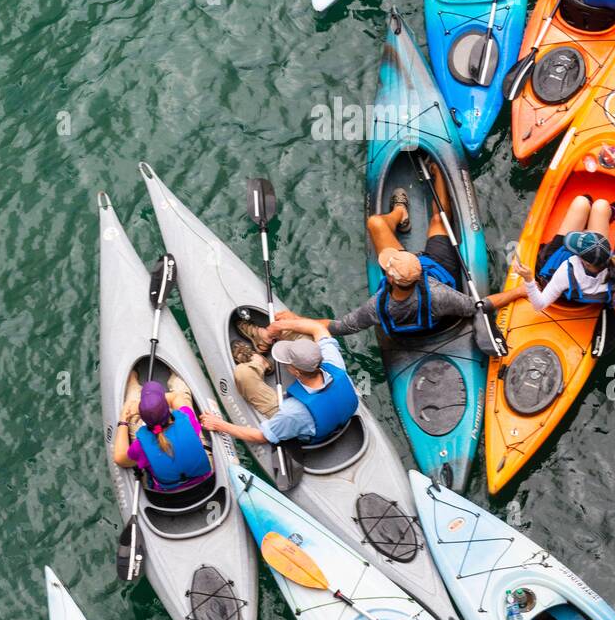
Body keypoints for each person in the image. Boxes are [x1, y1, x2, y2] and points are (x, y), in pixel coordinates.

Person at [275, 160, 522, 343]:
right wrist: (520, 291)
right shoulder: (440, 294)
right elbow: (479, 306)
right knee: (437, 219)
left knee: (375, 223)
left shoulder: (376, 306)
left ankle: (400, 213)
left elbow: (339, 327)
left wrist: (297, 321)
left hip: (425, 282)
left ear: (390, 277)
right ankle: (421, 191)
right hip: (438, 269)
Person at [201, 319, 360, 447]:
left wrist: (219, 425)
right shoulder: (334, 363)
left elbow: (262, 436)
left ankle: (259, 362)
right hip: (335, 415)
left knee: (243, 374)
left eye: (286, 363)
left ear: (296, 371)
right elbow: (319, 329)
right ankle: (264, 337)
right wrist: (282, 325)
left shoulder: (292, 412)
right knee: (301, 333)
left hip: (305, 424)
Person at [114, 376, 213, 493]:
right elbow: (177, 397)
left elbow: (120, 459)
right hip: (204, 482)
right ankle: (175, 376)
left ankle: (132, 379)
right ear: (168, 409)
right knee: (182, 394)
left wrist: (123, 420)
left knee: (132, 412)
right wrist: (158, 402)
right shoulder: (186, 418)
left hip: (168, 494)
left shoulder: (140, 447)